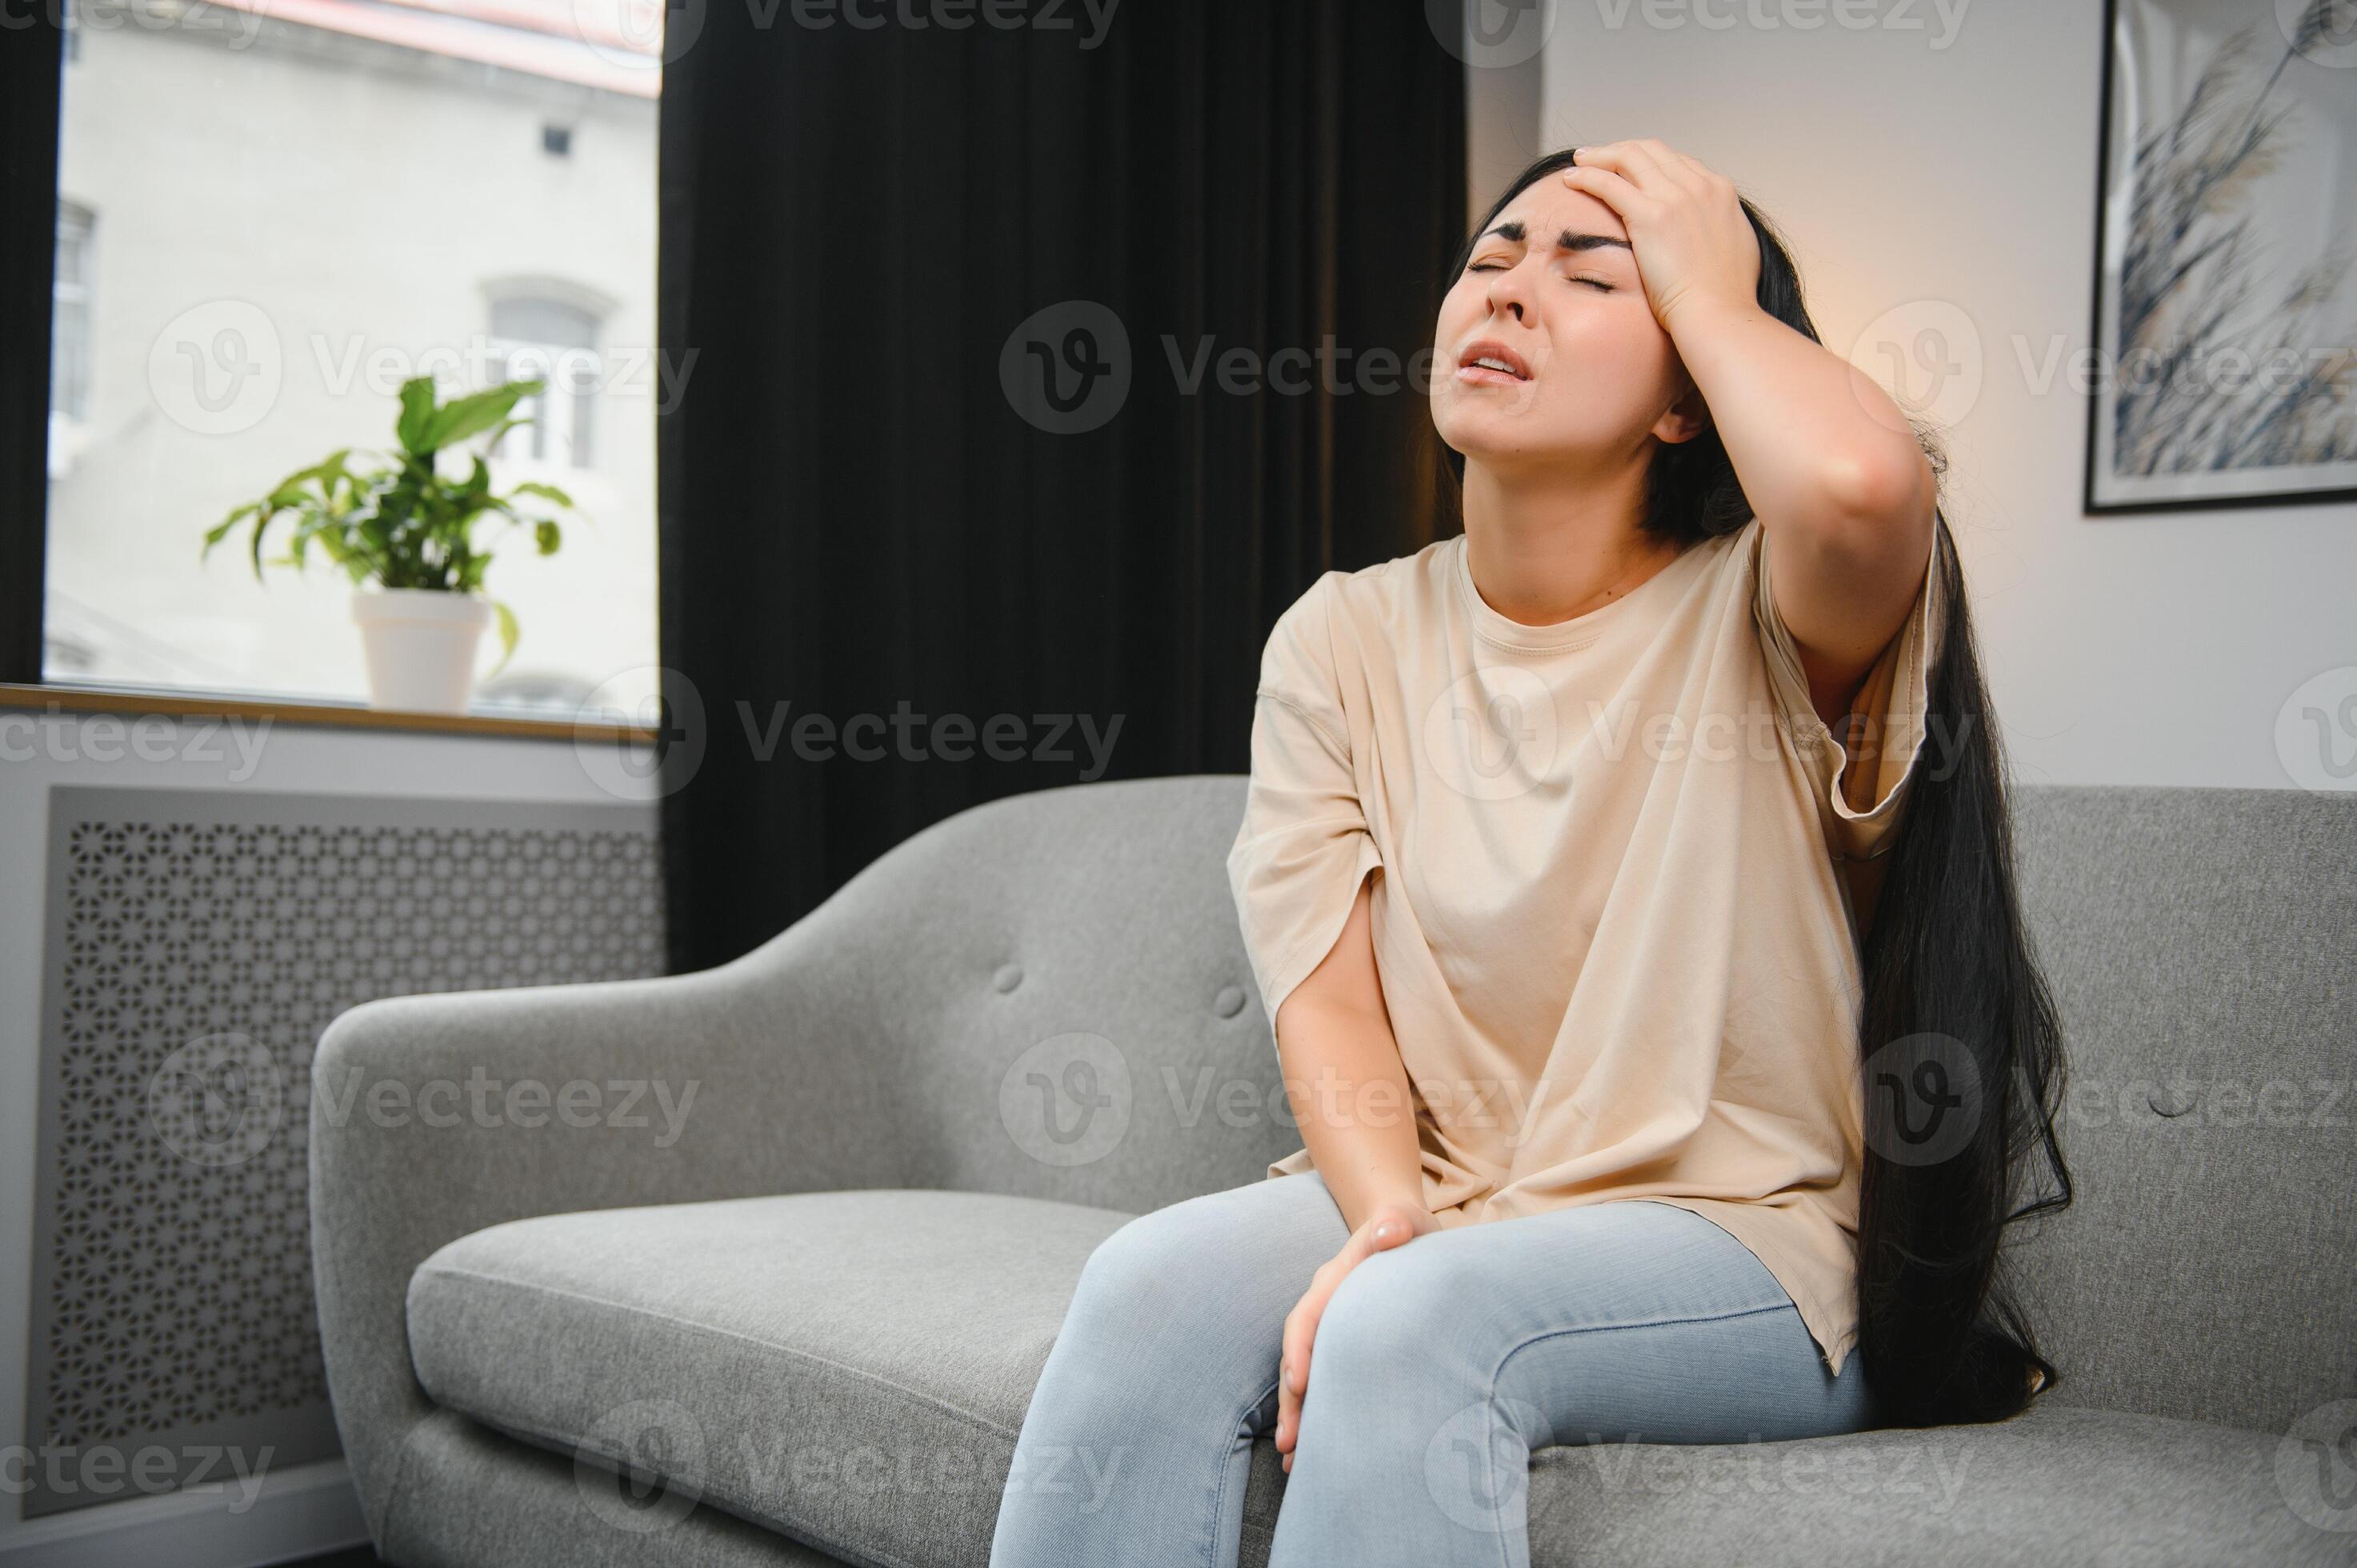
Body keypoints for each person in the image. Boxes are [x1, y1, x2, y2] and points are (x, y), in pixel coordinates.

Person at [986, 140, 2071, 1568]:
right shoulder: (1342, 636)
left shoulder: (1770, 611)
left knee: (1421, 1319)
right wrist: (1383, 1224)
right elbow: (1327, 993)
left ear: (1690, 396)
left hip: (1741, 1243)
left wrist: (1716, 289)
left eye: (1591, 272)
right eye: (1490, 260)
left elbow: (1865, 486)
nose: (1508, 293)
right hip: (1454, 1198)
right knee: (1145, 1288)